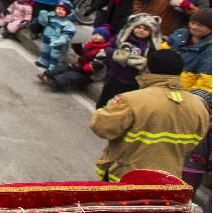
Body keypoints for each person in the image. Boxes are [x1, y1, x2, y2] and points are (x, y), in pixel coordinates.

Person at [90, 50, 210, 182]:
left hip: (124, 177)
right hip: (167, 180)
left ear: (148, 69)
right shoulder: (198, 105)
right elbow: (196, 139)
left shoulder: (131, 100)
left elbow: (101, 127)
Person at [96, 13, 164, 108]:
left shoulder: (150, 47)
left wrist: (142, 63)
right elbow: (109, 48)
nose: (141, 30)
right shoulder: (122, 38)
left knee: (121, 105)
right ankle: (99, 116)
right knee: (105, 100)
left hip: (132, 81)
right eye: (138, 27)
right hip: (114, 75)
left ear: (151, 32)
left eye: (145, 29)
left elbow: (150, 63)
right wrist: (118, 55)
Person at [42, 27, 111, 92]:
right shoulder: (90, 44)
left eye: (99, 35)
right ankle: (48, 75)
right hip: (82, 66)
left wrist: (80, 68)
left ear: (105, 38)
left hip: (92, 74)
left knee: (72, 75)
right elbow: (82, 53)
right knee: (64, 66)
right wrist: (77, 48)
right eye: (95, 34)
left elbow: (95, 66)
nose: (95, 36)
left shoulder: (104, 51)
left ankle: (56, 83)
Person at [168, 8, 212, 93]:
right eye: (192, 23)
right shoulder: (179, 34)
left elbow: (204, 85)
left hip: (184, 95)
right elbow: (160, 56)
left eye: (200, 25)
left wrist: (188, 101)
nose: (194, 27)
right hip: (163, 85)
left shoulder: (209, 51)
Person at [35, 0, 76, 73]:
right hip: (46, 37)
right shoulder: (52, 17)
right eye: (59, 9)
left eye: (63, 10)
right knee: (45, 50)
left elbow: (67, 36)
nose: (60, 11)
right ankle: (43, 61)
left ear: (68, 12)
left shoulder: (68, 24)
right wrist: (43, 15)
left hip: (57, 42)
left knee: (55, 55)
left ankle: (53, 67)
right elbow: (43, 23)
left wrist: (59, 41)